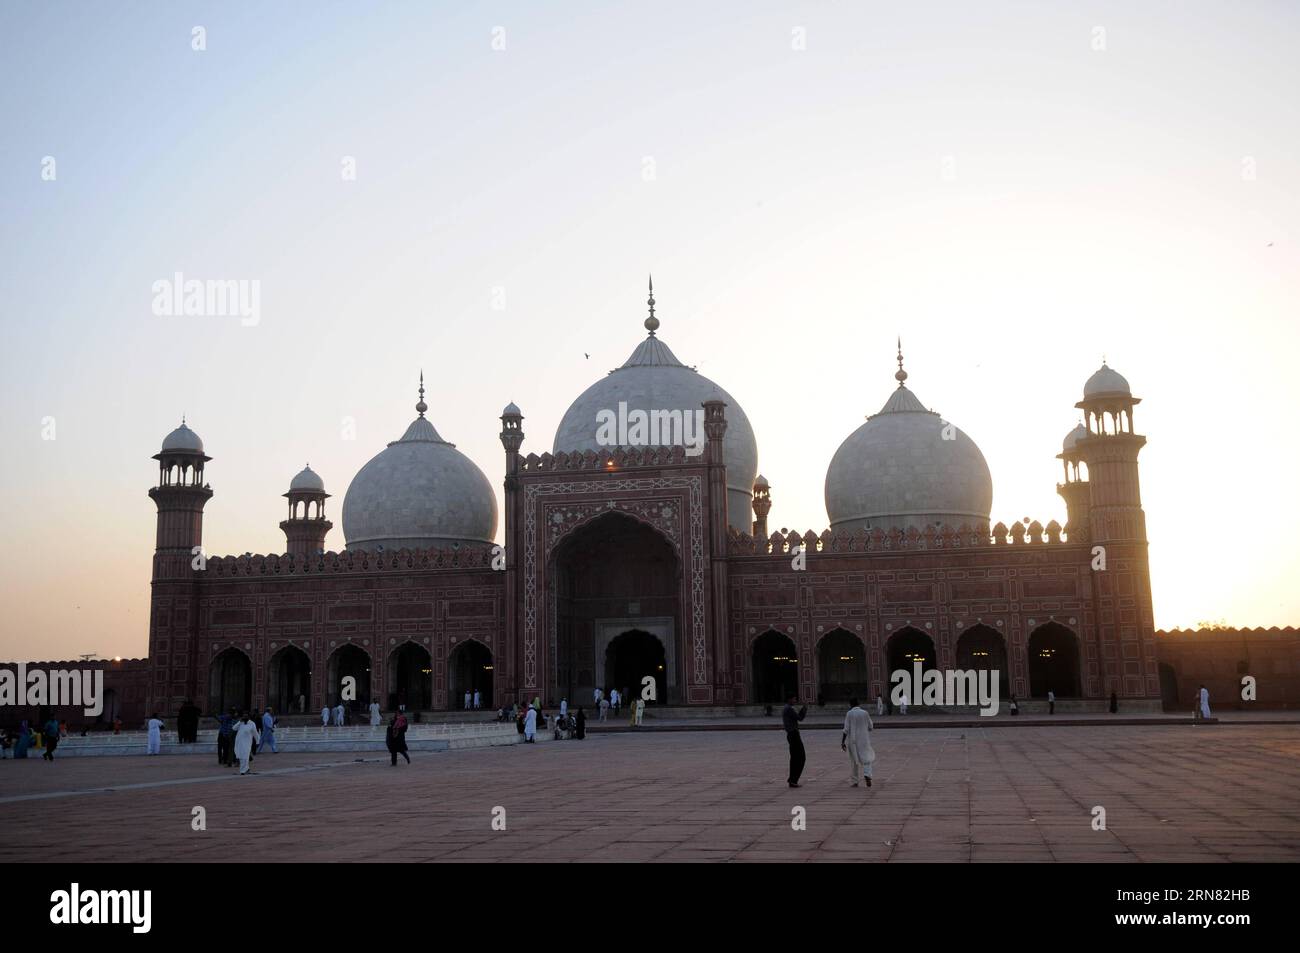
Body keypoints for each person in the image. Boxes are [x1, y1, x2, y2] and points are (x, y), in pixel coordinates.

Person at [841, 697, 875, 788]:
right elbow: (871, 726)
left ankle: (855, 781)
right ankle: (867, 774)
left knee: (854, 762)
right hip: (864, 740)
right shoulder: (865, 713)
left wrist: (842, 742)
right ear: (858, 703)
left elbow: (846, 729)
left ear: (850, 704)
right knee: (867, 758)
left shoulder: (849, 713)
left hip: (853, 741)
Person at [782, 694, 808, 788]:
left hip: (792, 734)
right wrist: (804, 708)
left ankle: (792, 779)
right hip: (793, 735)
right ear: (789, 699)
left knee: (795, 758)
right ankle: (793, 780)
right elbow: (800, 718)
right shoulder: (788, 709)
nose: (795, 700)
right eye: (794, 698)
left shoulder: (787, 708)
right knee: (800, 757)